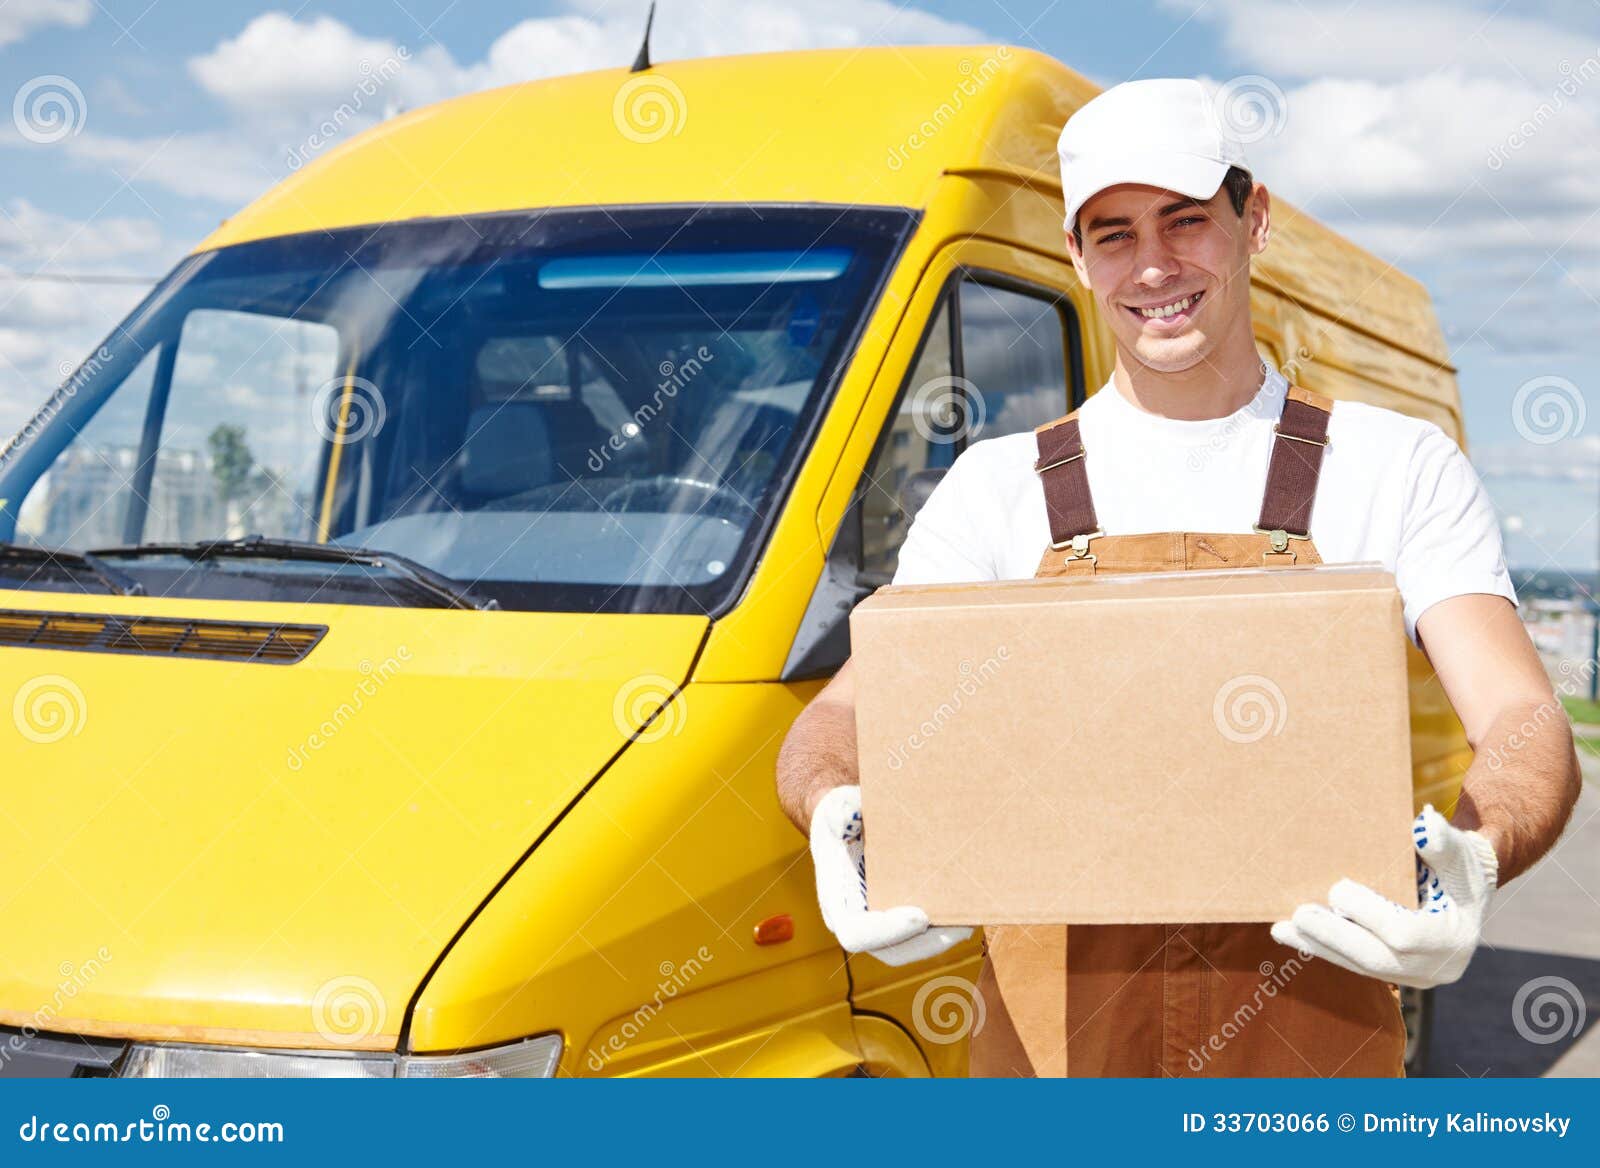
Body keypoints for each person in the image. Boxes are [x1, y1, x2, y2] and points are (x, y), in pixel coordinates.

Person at [775, 77, 1581, 1077]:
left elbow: (1522, 720)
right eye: (1112, 233)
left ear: (1255, 223)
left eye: (1185, 220)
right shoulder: (995, 488)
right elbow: (843, 715)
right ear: (1075, 255)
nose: (1152, 265)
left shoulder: (1395, 466)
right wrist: (835, 813)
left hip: (1306, 1059)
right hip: (1051, 1063)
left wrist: (1480, 853)